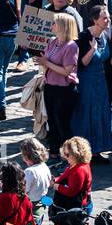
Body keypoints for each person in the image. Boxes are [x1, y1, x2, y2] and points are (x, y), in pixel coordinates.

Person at [70, 5, 112, 159]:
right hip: (86, 80)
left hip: (101, 80)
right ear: (95, 20)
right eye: (104, 18)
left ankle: (98, 148)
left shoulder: (105, 35)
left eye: (108, 17)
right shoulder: (83, 37)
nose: (108, 20)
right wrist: (92, 50)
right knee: (86, 112)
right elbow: (81, 63)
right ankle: (84, 151)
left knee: (101, 111)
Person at [37, 11, 80, 153]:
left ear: (63, 26)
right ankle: (54, 152)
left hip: (64, 89)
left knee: (62, 123)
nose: (52, 25)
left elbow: (67, 71)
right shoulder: (53, 41)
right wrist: (42, 62)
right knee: (52, 121)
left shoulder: (71, 46)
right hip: (50, 86)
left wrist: (46, 63)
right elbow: (47, 60)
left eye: (54, 23)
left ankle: (71, 154)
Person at [51, 137, 93, 215]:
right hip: (79, 202)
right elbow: (65, 175)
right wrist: (54, 180)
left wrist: (56, 186)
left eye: (67, 154)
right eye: (64, 154)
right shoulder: (76, 164)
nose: (65, 157)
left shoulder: (79, 170)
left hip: (79, 207)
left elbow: (71, 191)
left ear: (76, 154)